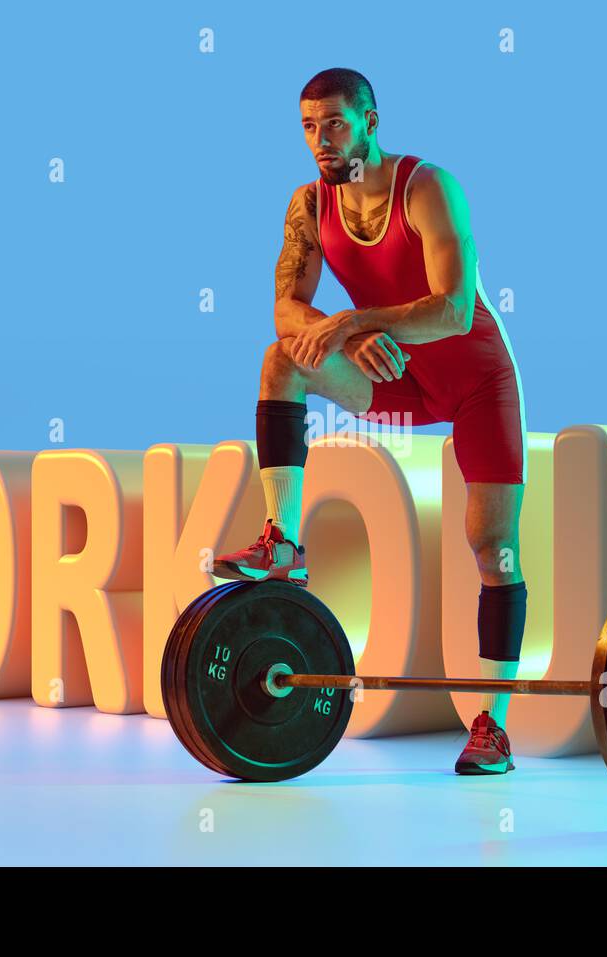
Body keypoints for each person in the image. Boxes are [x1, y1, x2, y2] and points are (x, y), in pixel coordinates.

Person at [213, 68, 527, 775]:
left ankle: (492, 726)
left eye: (334, 124)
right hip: (395, 374)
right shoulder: (307, 205)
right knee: (281, 360)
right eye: (307, 127)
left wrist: (356, 320)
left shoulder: (427, 188)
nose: (320, 140)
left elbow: (451, 309)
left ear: (371, 122)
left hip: (477, 381)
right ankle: (282, 540)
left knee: (492, 547)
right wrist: (347, 336)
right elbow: (288, 310)